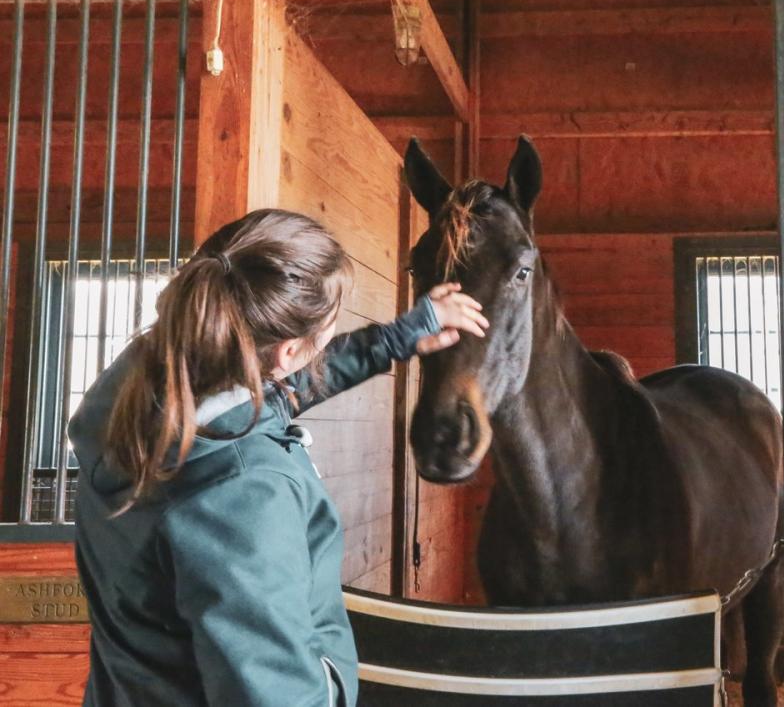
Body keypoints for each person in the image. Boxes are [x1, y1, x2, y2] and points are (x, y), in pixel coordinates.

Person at [67, 209, 487, 706]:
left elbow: (272, 392)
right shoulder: (243, 494)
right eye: (331, 322)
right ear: (288, 353)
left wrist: (397, 338)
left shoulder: (132, 397)